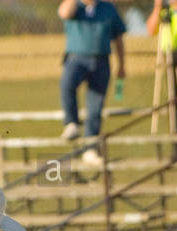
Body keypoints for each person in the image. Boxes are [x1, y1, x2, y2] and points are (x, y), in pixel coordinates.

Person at [57, 0, 127, 167]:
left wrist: (122, 65)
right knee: (67, 84)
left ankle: (90, 149)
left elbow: (118, 37)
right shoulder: (75, 6)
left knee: (95, 106)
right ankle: (71, 123)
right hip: (76, 58)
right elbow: (64, 13)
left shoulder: (108, 7)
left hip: (101, 60)